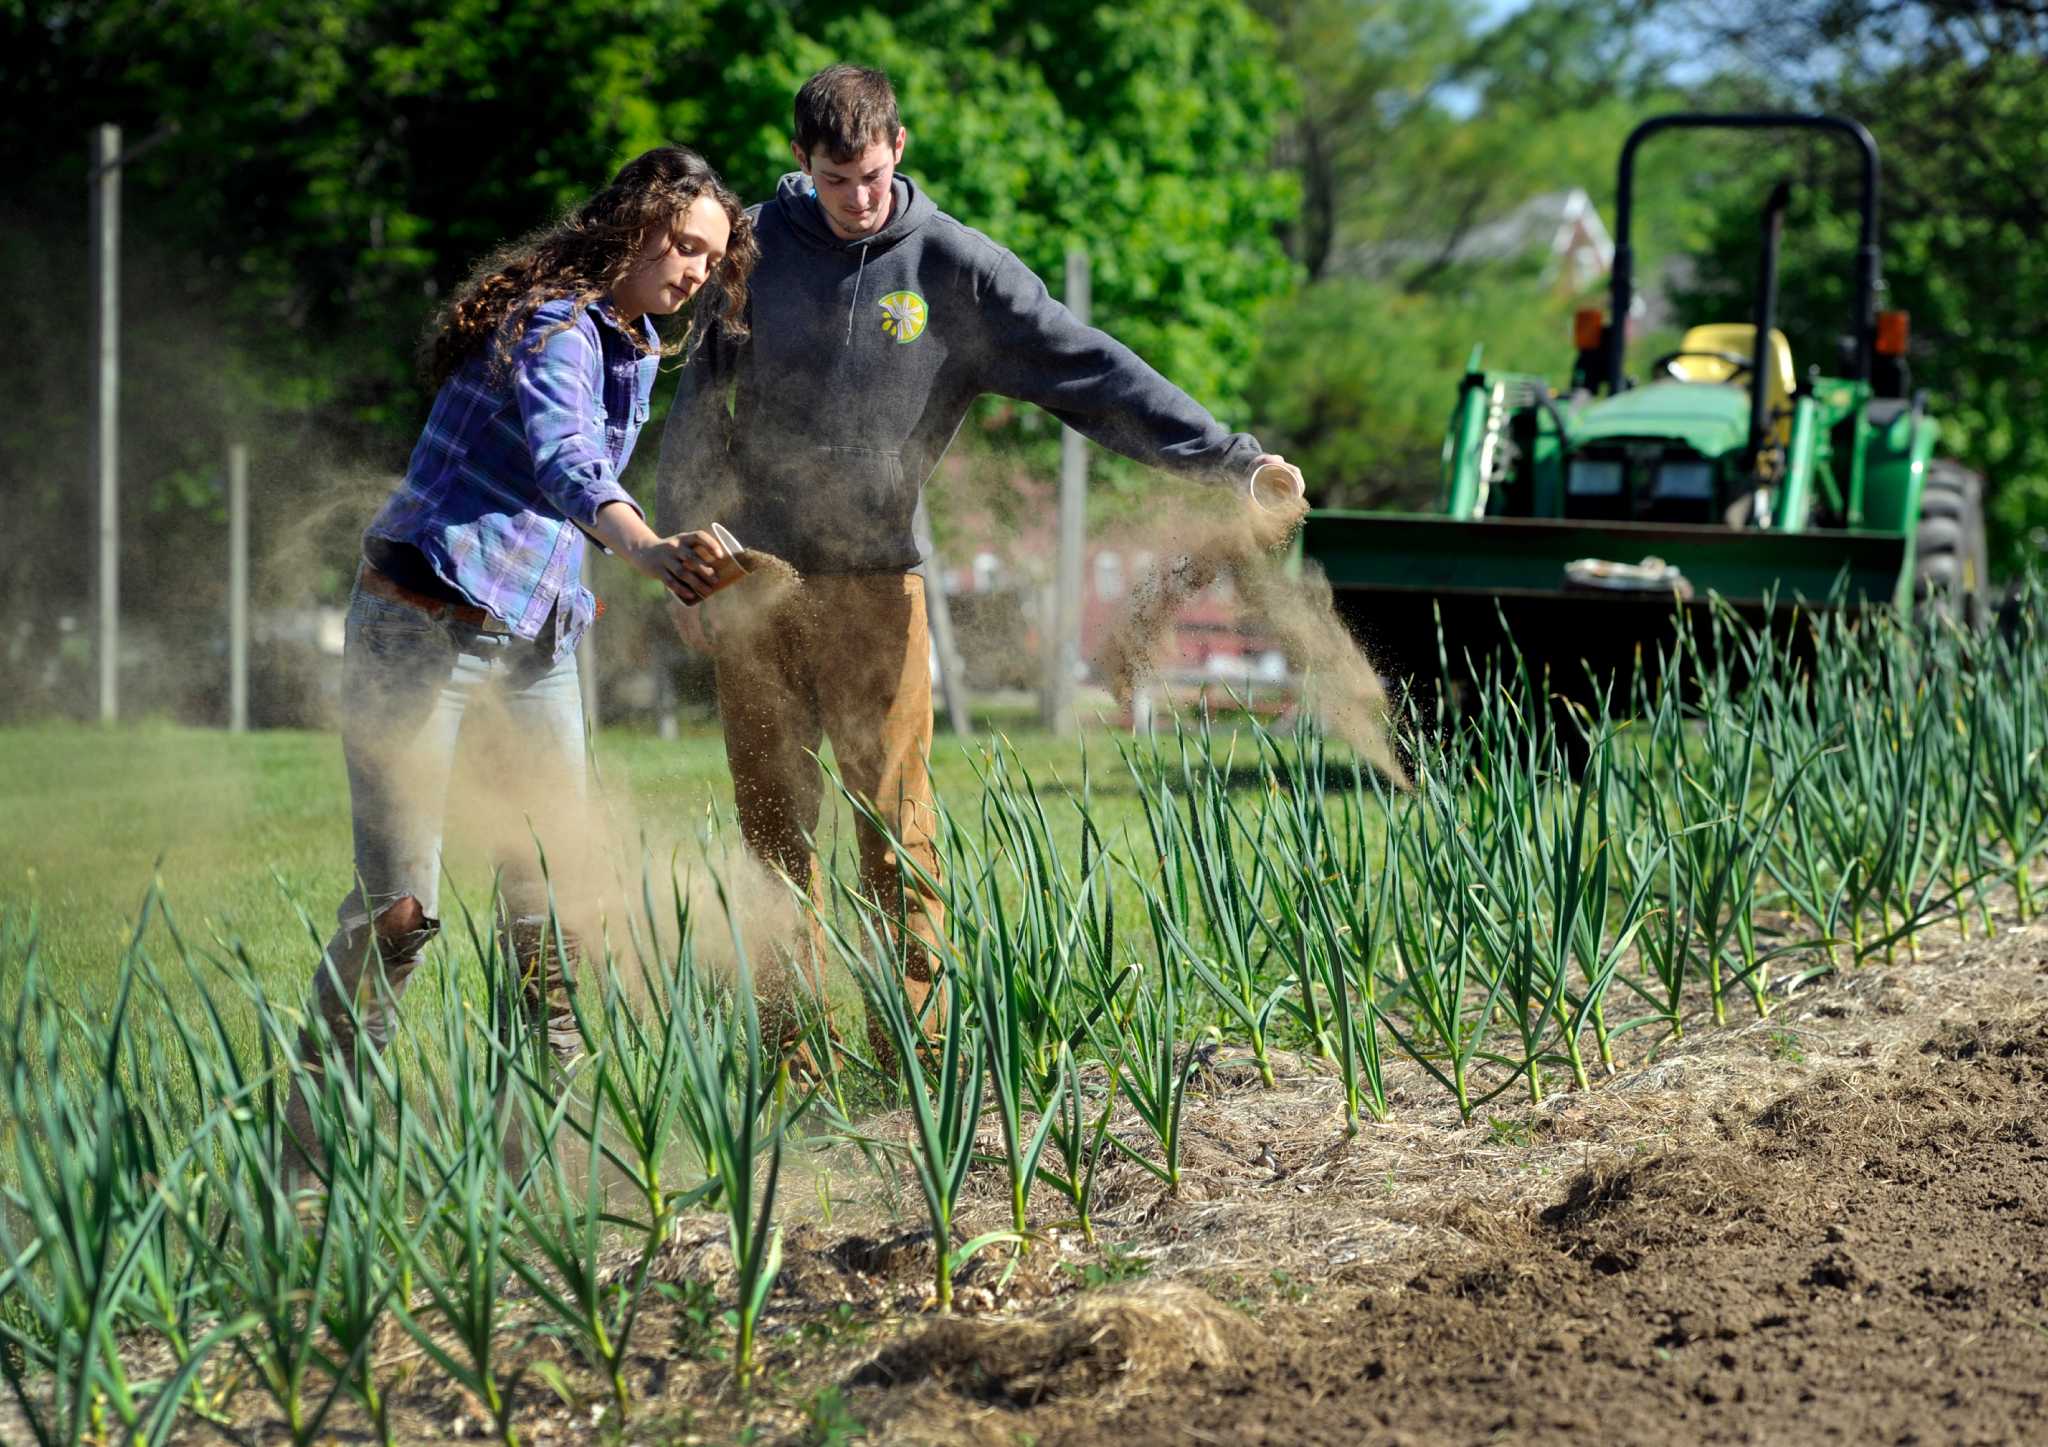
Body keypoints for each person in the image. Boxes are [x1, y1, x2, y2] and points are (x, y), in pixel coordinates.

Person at [655, 65, 1304, 1041]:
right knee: (773, 831)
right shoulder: (747, 253)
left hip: (877, 583)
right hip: (751, 581)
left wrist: (1228, 460)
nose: (858, 202)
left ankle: (911, 1057)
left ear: (899, 149)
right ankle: (787, 1057)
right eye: (836, 183)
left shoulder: (955, 270)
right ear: (800, 163)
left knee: (893, 829)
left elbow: (1090, 368)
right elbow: (696, 410)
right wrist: (683, 558)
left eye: (872, 177)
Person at [283, 145, 758, 1179]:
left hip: (531, 645)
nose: (691, 271)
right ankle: (307, 1173)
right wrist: (644, 547)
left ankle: (536, 1169)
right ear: (627, 227)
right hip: (421, 625)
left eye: (708, 258)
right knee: (397, 914)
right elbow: (564, 459)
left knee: (551, 909)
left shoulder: (630, 340)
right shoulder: (549, 322)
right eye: (679, 245)